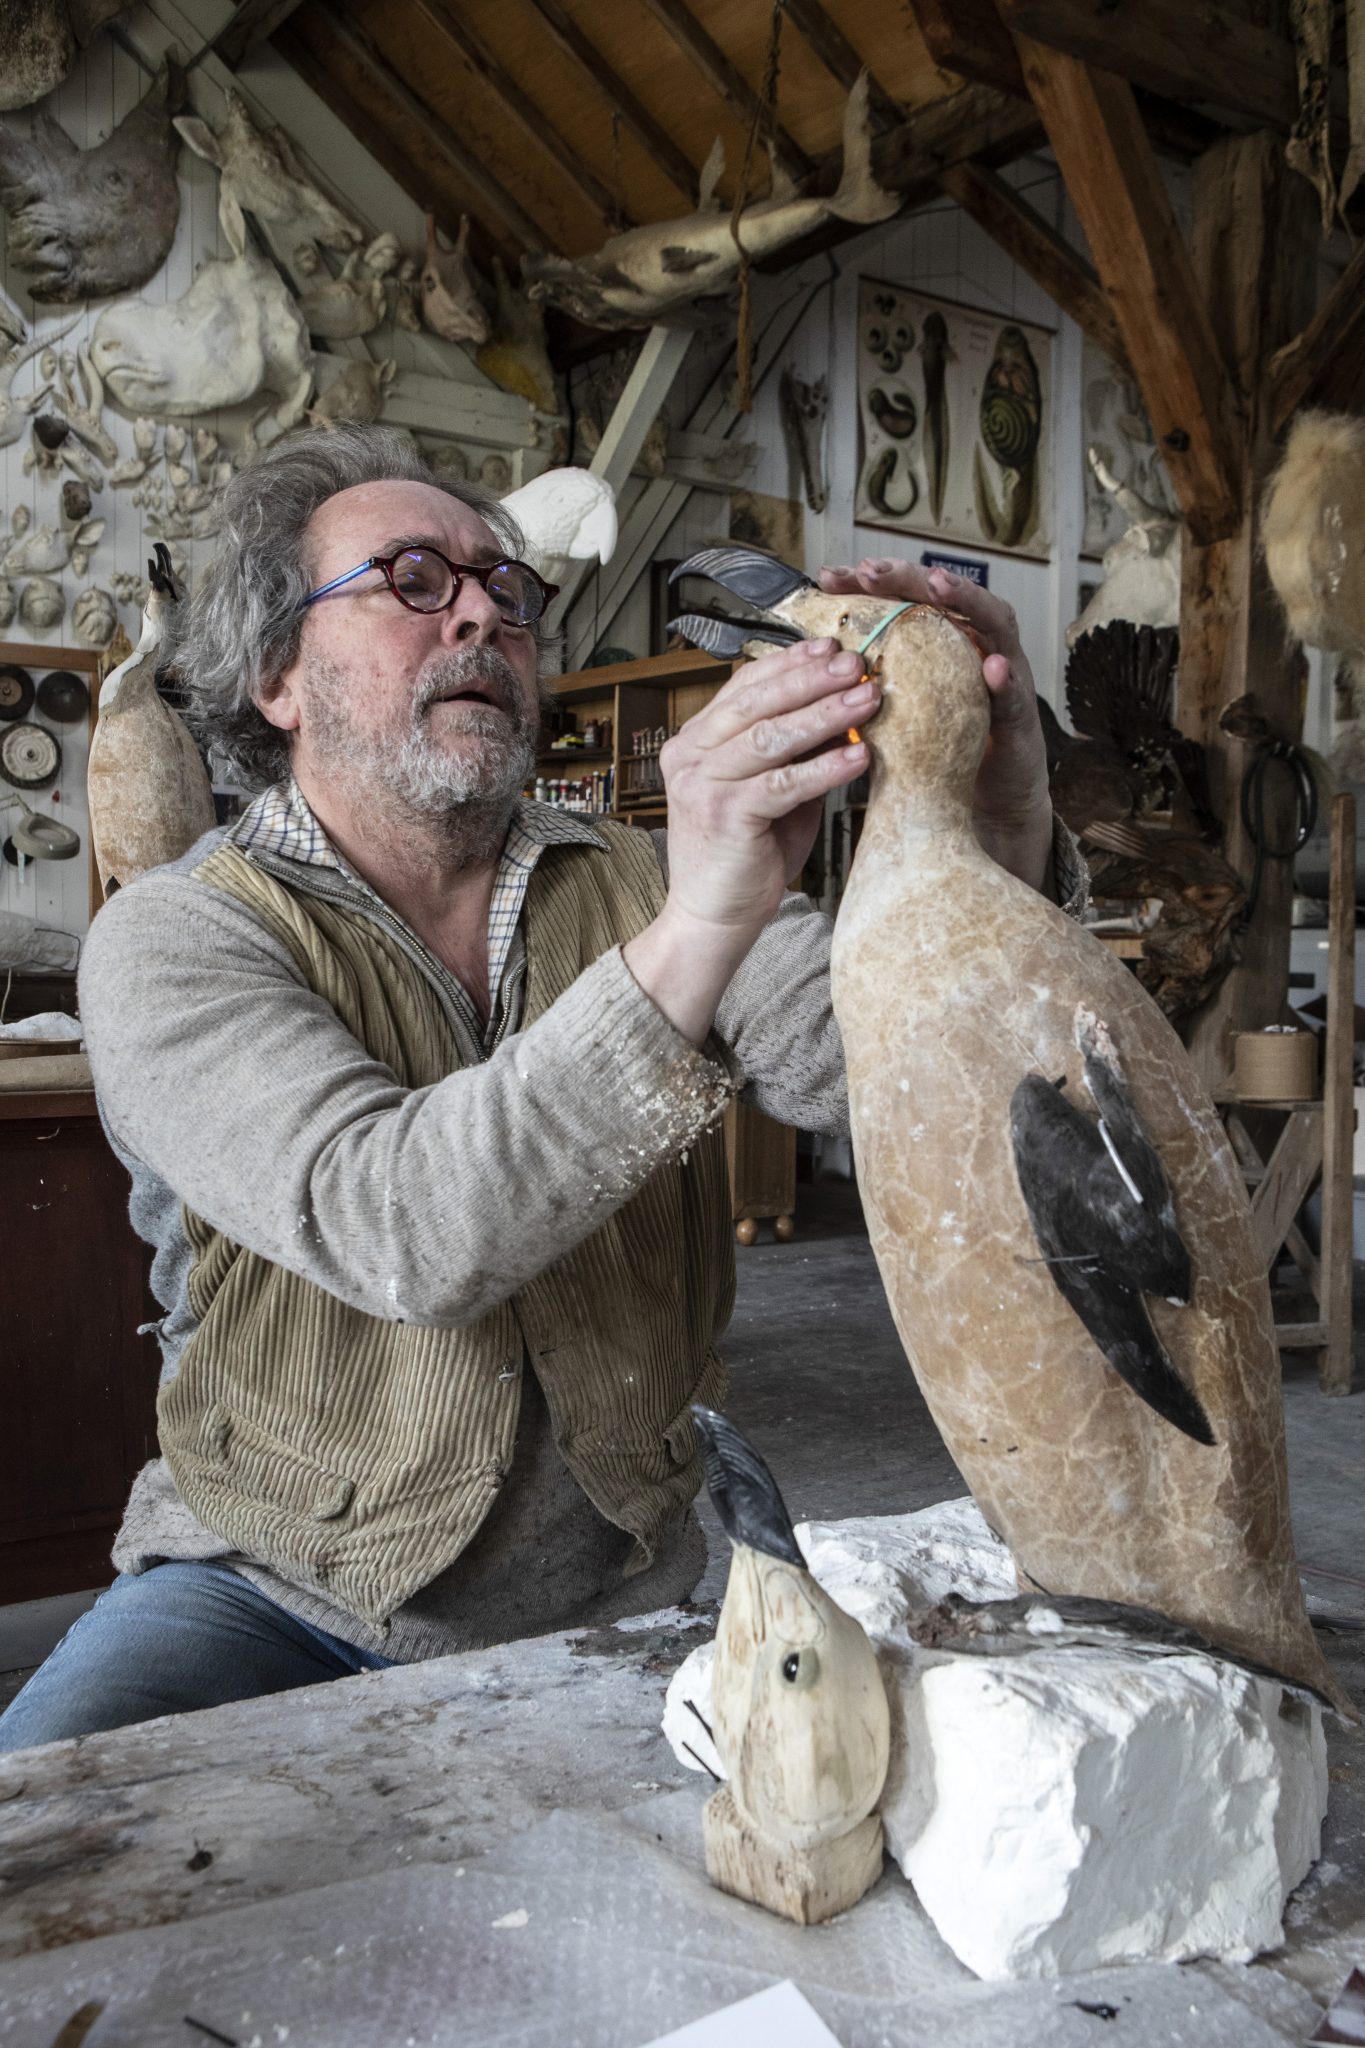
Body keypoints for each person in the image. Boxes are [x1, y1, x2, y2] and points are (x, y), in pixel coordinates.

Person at [0, 425, 1083, 1752]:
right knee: (39, 1833)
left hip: (617, 1588)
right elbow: (404, 1229)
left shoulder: (640, 877)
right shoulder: (176, 936)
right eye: (411, 580)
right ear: (279, 675)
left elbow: (924, 1077)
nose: (480, 614)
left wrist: (989, 822)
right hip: (272, 1590)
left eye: (505, 590)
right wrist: (699, 929)